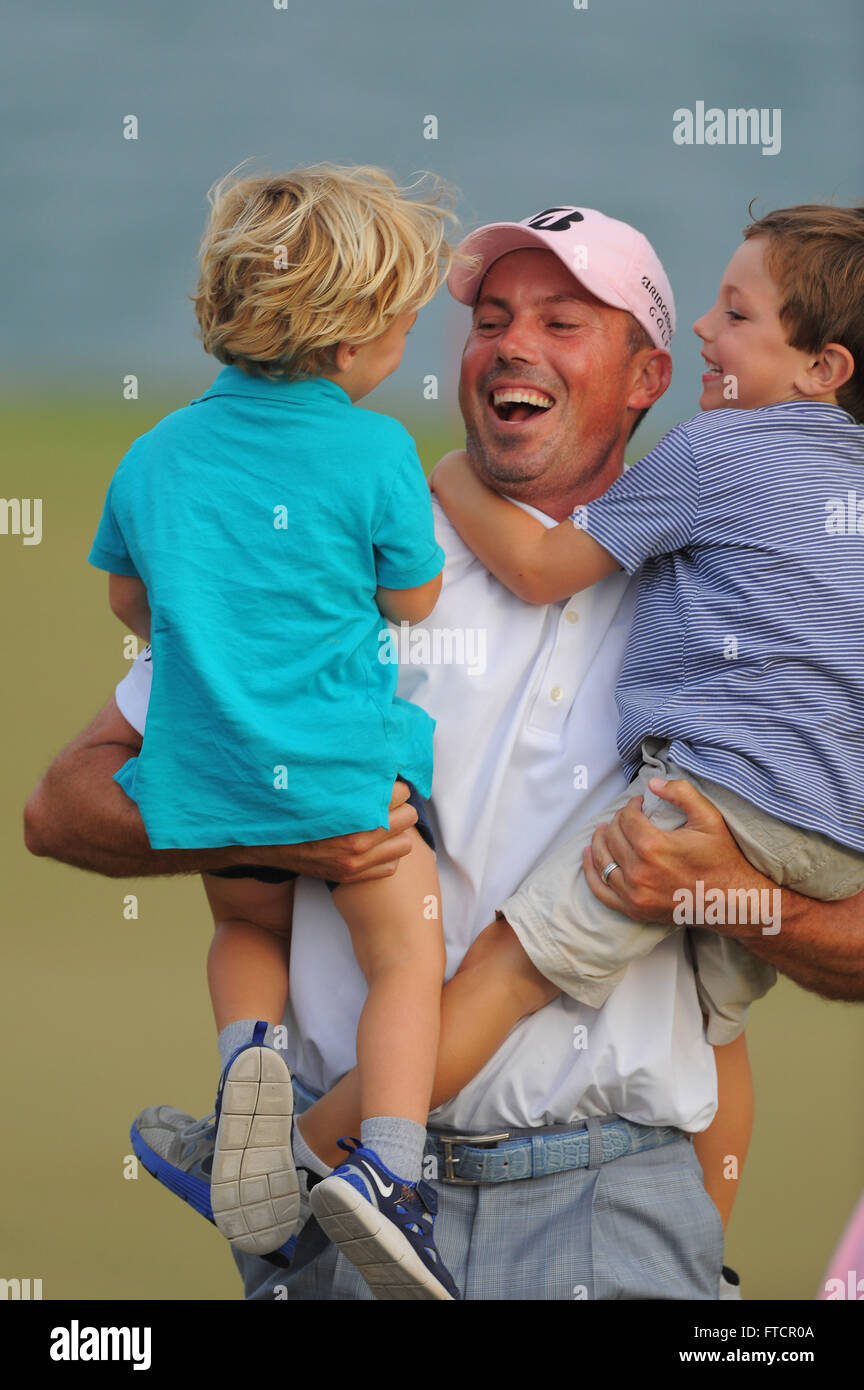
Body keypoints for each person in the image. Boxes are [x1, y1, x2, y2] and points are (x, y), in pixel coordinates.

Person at [24, 203, 864, 1301]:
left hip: (622, 1206)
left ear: (650, 374)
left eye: (564, 320)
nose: (512, 344)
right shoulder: (352, 552)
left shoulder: (745, 599)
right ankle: (301, 1171)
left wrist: (740, 895)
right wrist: (309, 824)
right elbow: (66, 805)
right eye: (489, 318)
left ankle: (288, 1163)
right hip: (342, 1233)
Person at [86, 162, 460, 1298]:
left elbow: (131, 605)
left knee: (247, 927)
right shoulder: (375, 451)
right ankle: (387, 1171)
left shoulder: (154, 455)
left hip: (206, 777)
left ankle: (250, 1059)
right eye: (402, 323)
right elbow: (415, 596)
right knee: (406, 952)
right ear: (352, 347)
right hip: (346, 779)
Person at [426, 203, 864, 1070]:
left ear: (824, 365)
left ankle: (338, 1155)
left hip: (718, 798)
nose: (710, 324)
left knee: (509, 972)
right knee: (712, 1039)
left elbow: (542, 567)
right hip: (835, 834)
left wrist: (446, 471)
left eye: (736, 315)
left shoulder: (713, 451)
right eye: (490, 321)